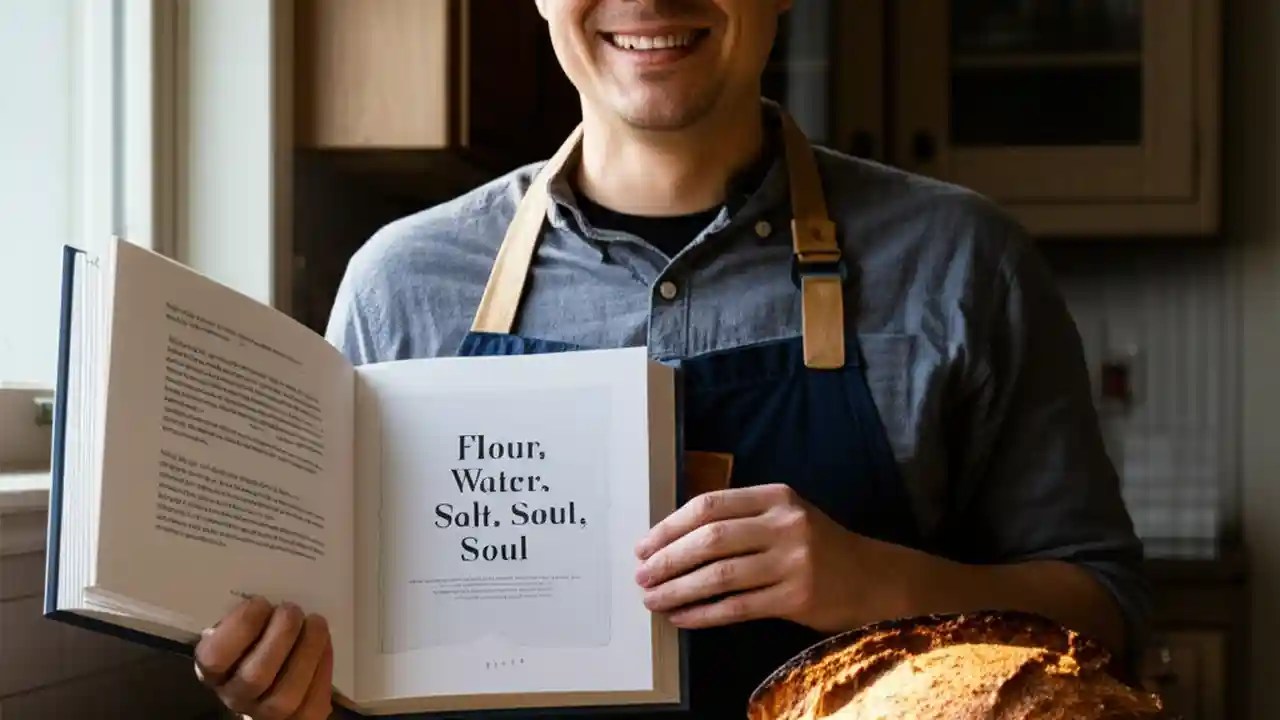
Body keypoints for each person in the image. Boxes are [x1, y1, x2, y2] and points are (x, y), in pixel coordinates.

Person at [193, 0, 1148, 718]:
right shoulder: (400, 290)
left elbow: (1106, 614)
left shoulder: (961, 264)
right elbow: (344, 667)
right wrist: (284, 692)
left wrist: (875, 584)